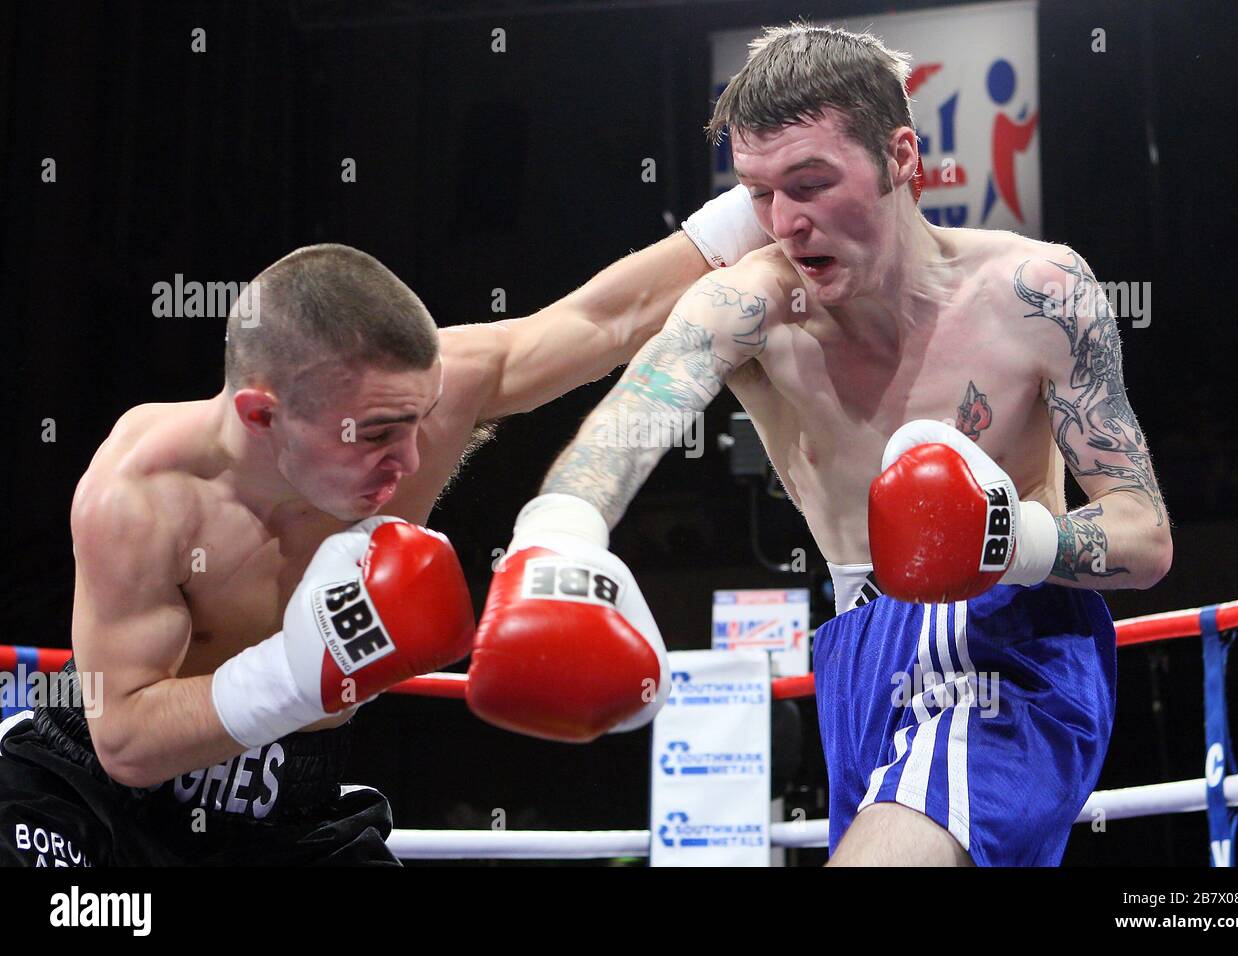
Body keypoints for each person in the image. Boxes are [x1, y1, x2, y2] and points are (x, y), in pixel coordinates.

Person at [472, 24, 1172, 866]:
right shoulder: (748, 307)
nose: (787, 224)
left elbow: (1145, 536)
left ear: (902, 156)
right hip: (858, 650)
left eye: (811, 183)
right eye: (760, 195)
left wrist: (1008, 539)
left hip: (1014, 644)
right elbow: (643, 406)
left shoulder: (1038, 293)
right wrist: (562, 532)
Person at [0, 190, 771, 866]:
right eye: (373, 434)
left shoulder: (431, 396)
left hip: (292, 812)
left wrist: (765, 199)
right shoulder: (142, 493)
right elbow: (125, 742)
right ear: (263, 416)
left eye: (419, 420)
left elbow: (608, 318)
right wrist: (300, 672)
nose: (409, 460)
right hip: (92, 806)